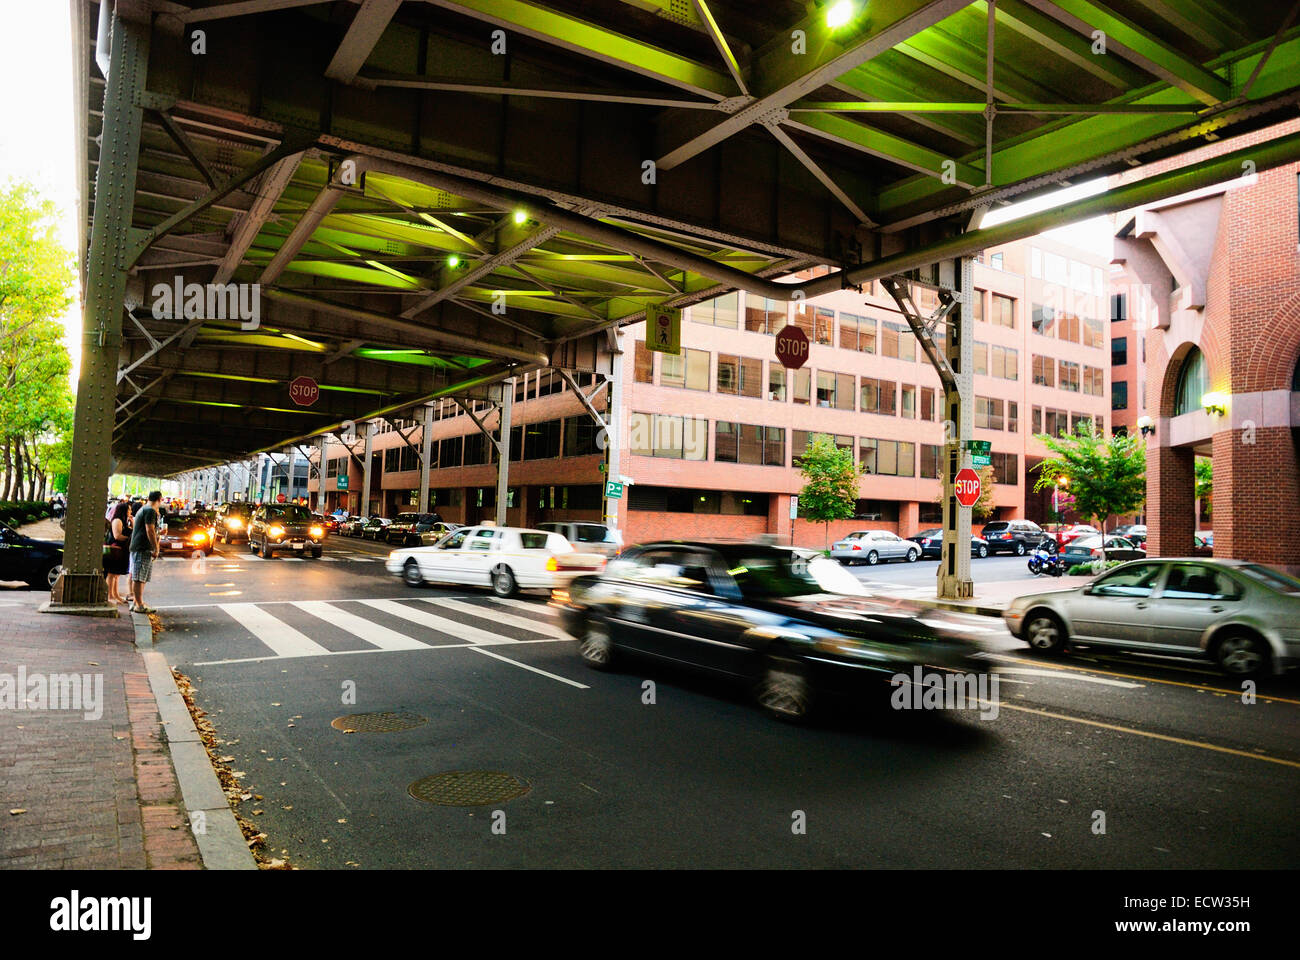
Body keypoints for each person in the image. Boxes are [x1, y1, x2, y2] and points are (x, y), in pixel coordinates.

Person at [128, 491, 162, 614]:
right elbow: (150, 530)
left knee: (139, 576)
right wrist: (155, 548)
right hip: (142, 547)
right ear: (160, 499)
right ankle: (139, 605)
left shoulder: (143, 509)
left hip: (138, 547)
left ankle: (137, 602)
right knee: (139, 577)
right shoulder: (150, 511)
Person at [103, 500, 132, 605]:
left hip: (120, 550)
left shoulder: (124, 521)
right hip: (115, 549)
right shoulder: (117, 520)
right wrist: (128, 538)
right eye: (129, 510)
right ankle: (110, 595)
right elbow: (117, 536)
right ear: (123, 510)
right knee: (112, 573)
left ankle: (115, 595)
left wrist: (131, 523)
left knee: (116, 574)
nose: (130, 511)